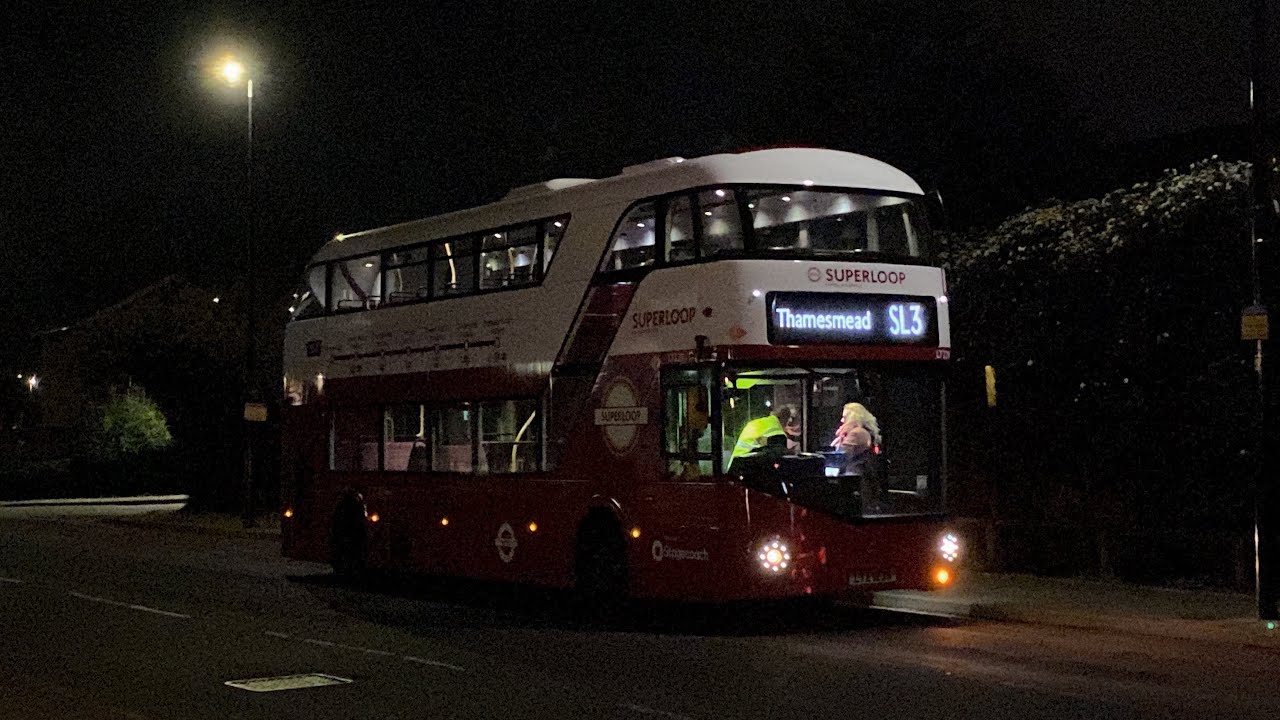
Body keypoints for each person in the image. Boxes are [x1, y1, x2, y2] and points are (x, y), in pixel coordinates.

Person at [729, 403, 800, 468]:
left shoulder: (758, 422)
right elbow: (778, 455)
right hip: (747, 463)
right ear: (787, 419)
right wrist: (792, 452)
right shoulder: (776, 429)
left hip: (735, 463)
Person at [831, 402, 881, 475]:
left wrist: (841, 437)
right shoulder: (862, 432)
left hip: (853, 473)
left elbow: (841, 455)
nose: (842, 420)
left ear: (852, 418)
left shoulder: (857, 433)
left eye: (845, 417)